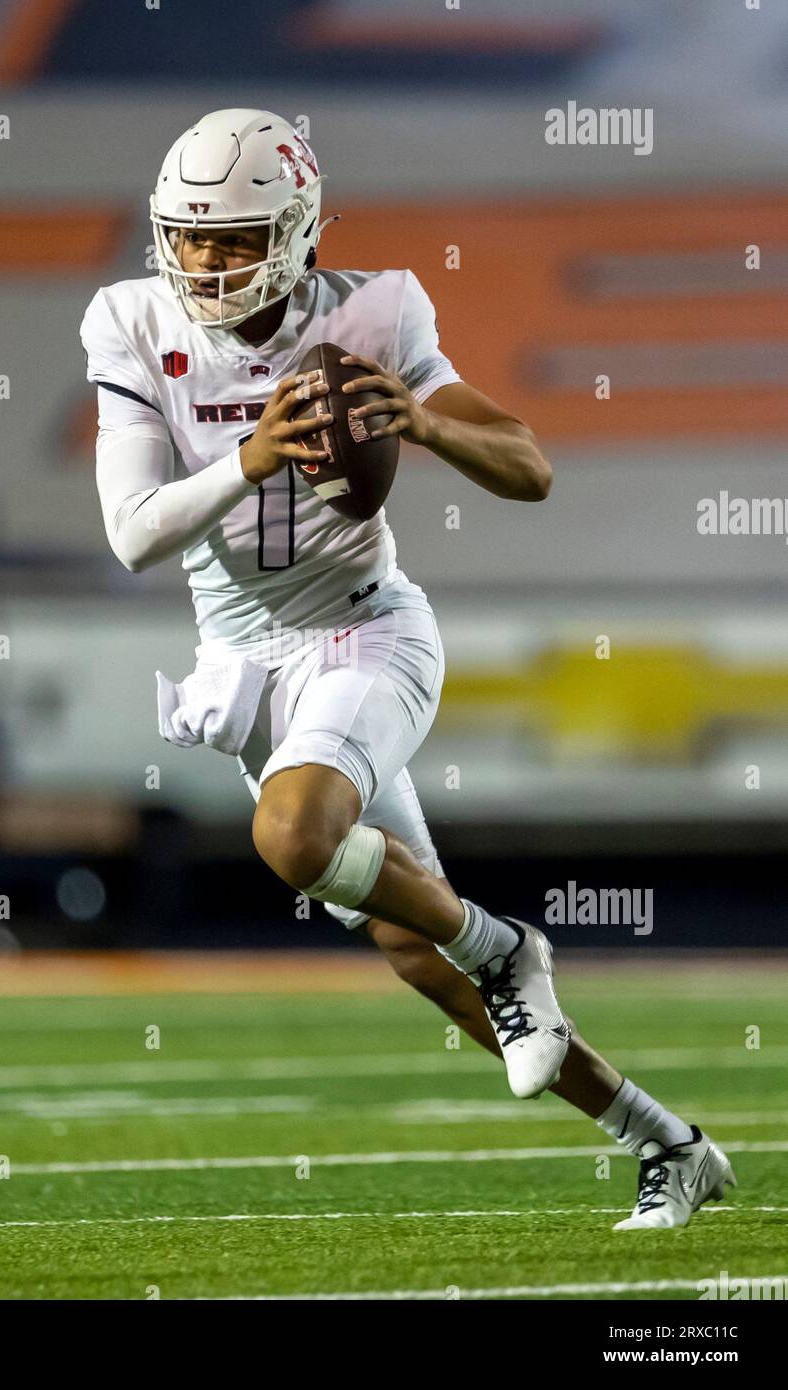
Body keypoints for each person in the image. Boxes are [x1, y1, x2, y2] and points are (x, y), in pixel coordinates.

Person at [80, 108, 735, 1229]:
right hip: (244, 664)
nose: (204, 262)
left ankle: (506, 945)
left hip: (366, 630)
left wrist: (426, 425)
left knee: (294, 838)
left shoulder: (373, 313)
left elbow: (529, 465)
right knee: (415, 949)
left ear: (296, 234)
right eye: (188, 237)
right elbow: (135, 534)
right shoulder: (130, 321)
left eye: (234, 239)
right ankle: (668, 1142)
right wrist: (250, 456)